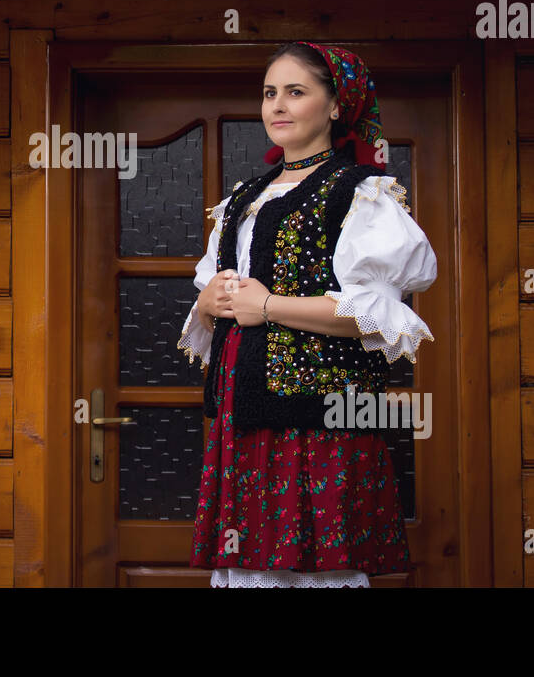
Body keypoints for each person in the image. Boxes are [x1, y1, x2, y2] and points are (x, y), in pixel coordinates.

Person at [177, 41, 438, 588]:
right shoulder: (243, 199)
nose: (278, 106)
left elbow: (378, 316)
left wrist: (267, 306)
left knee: (314, 567)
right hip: (242, 412)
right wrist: (209, 303)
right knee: (251, 563)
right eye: (270, 93)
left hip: (319, 415)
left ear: (337, 104)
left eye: (296, 92)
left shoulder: (360, 195)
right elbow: (214, 304)